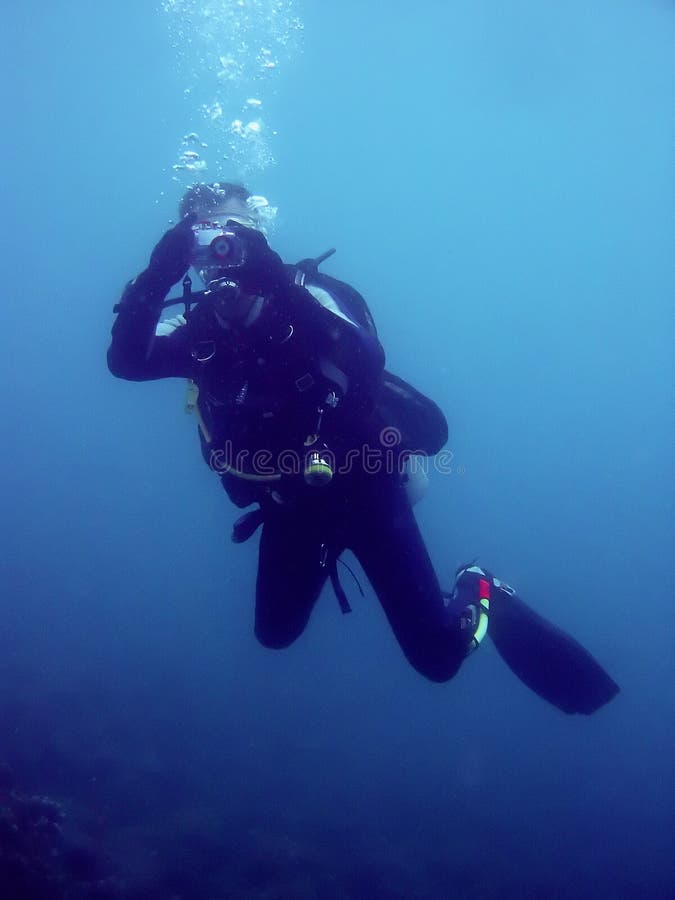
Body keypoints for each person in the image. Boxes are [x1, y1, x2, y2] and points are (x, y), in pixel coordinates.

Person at [108, 181, 619, 715]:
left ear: (260, 235)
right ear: (188, 252)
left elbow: (365, 358)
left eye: (238, 233)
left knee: (438, 660)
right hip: (289, 508)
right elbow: (127, 362)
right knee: (274, 635)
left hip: (368, 494)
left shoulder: (308, 294)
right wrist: (157, 271)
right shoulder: (194, 330)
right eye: (205, 238)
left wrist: (276, 280)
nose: (224, 249)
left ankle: (478, 586)